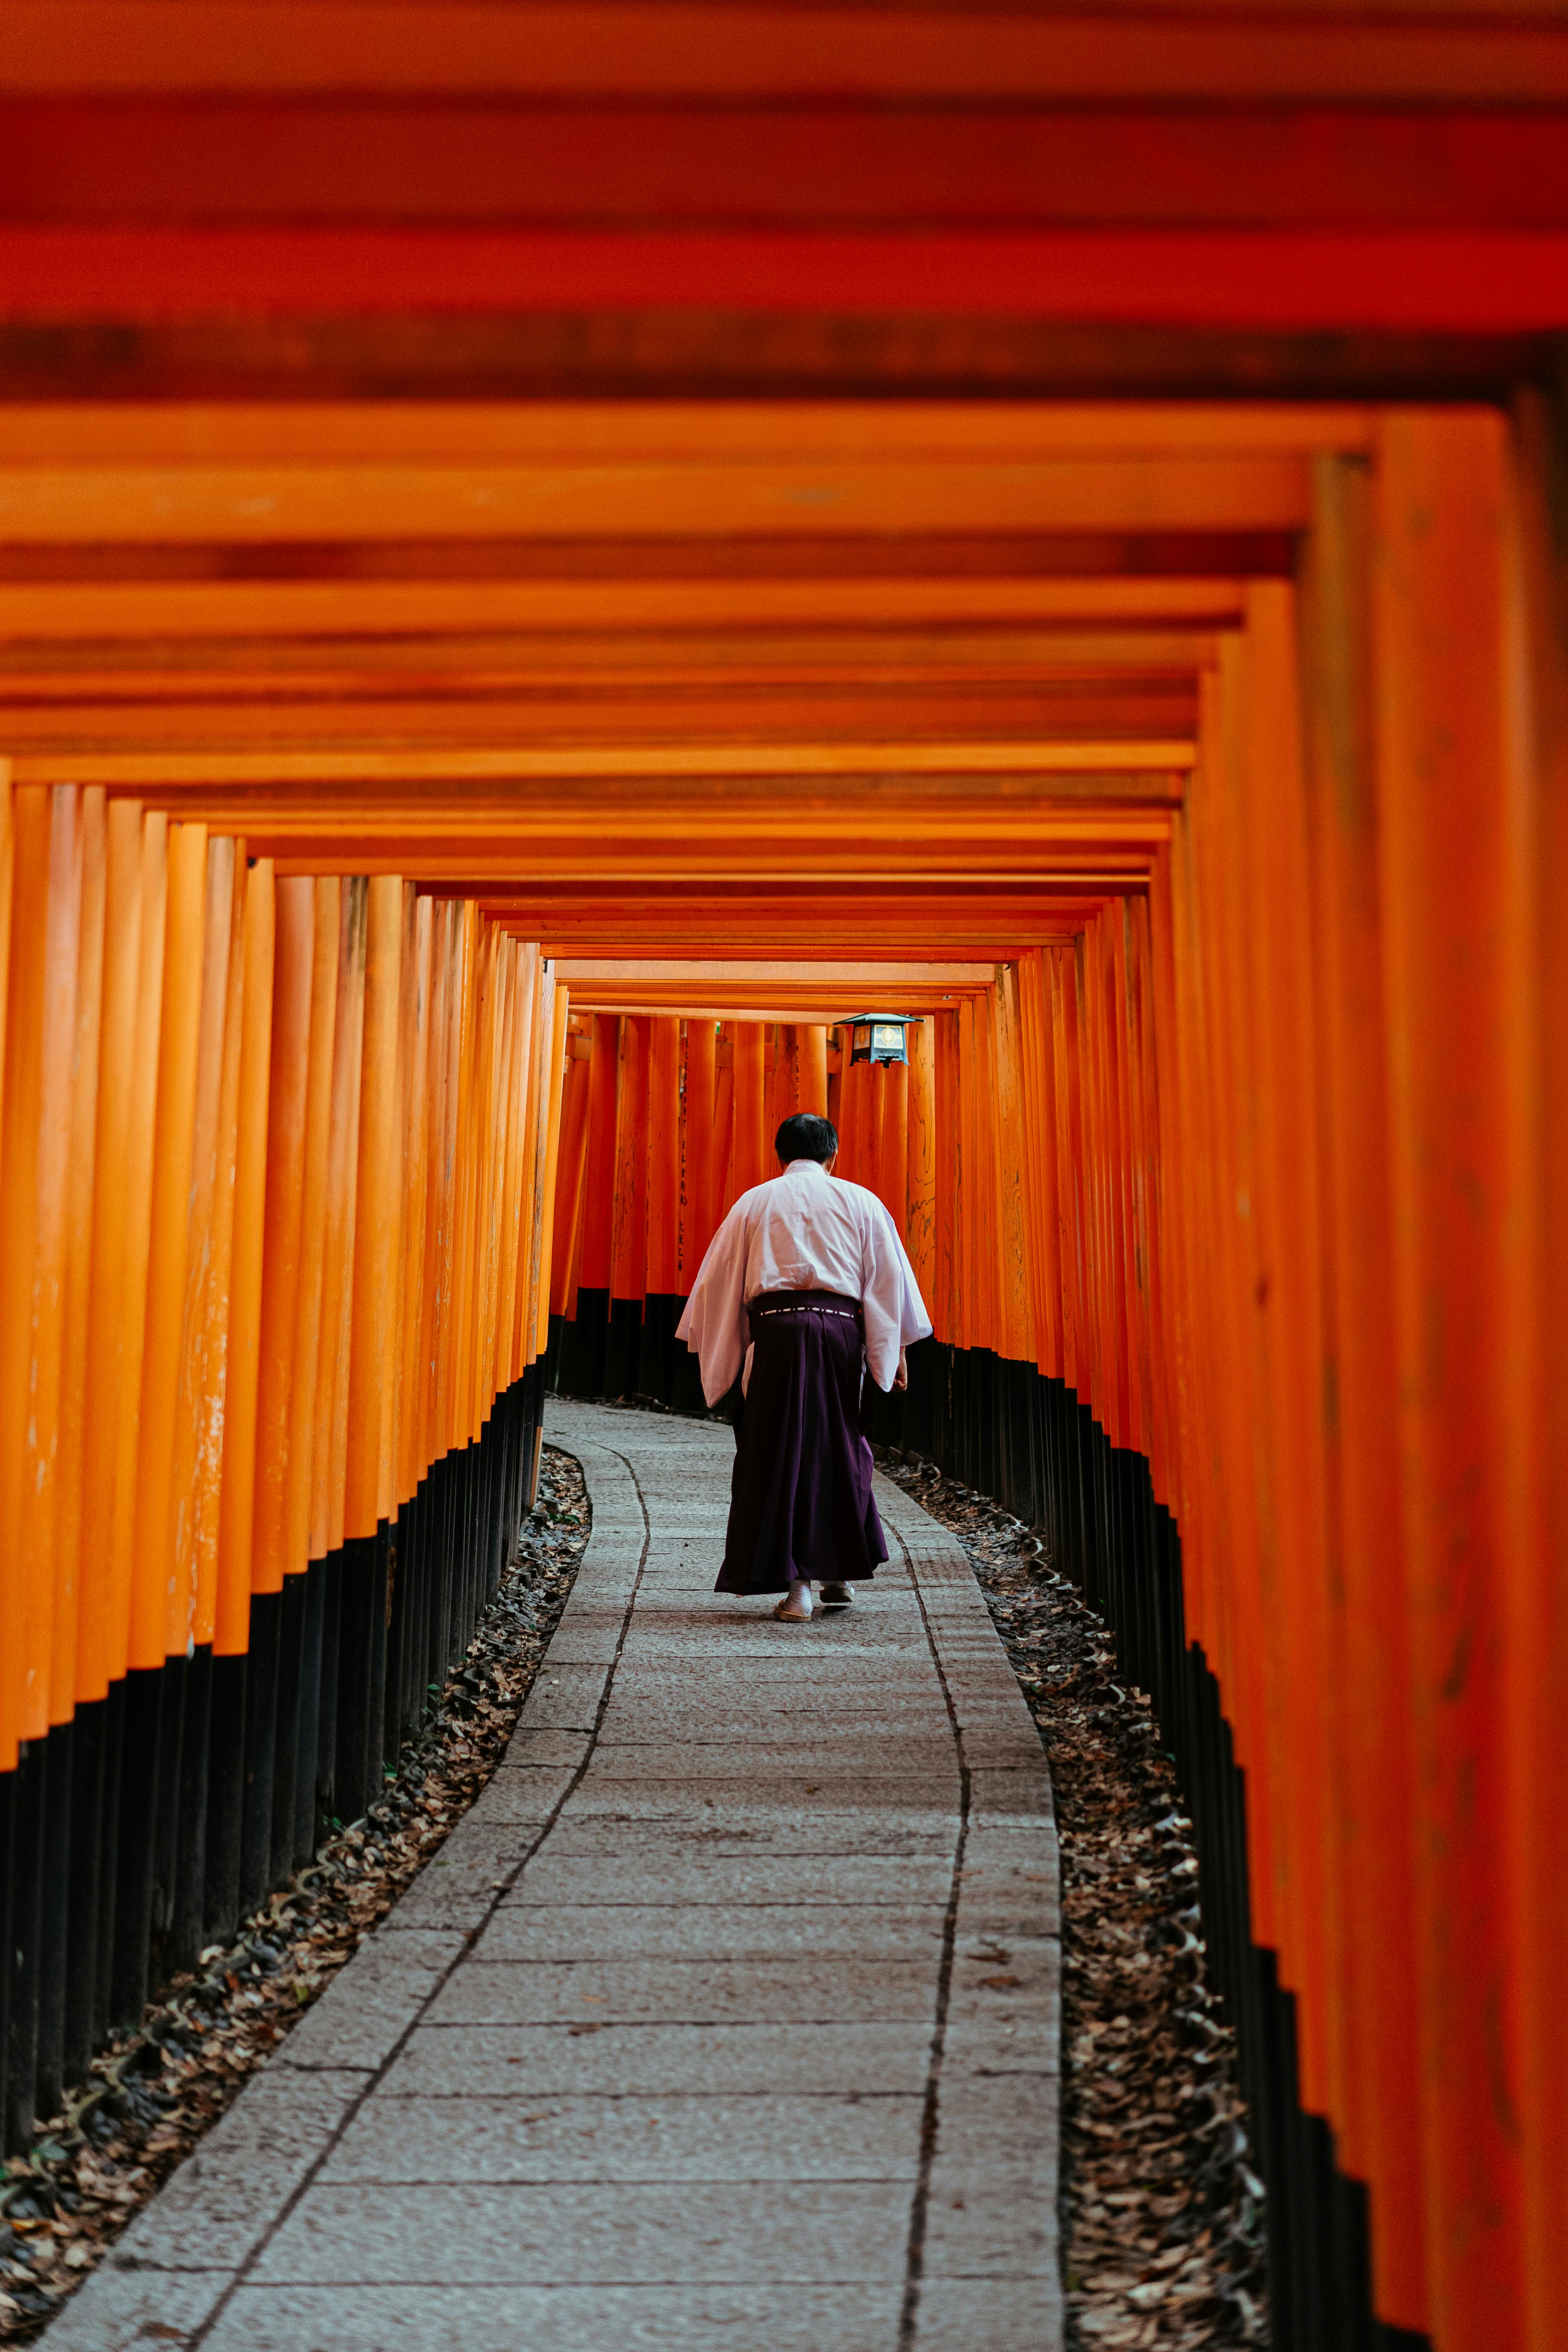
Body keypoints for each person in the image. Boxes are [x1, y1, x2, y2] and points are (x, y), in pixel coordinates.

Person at [676, 1109, 933, 1622]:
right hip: (840, 1333)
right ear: (833, 1156)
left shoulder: (755, 1202)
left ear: (780, 1157)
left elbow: (720, 1284)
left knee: (779, 1451)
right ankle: (833, 1572)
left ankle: (801, 1588)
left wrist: (731, 1351)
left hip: (776, 1335)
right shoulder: (862, 1202)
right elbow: (886, 1284)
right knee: (841, 1447)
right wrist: (894, 1352)